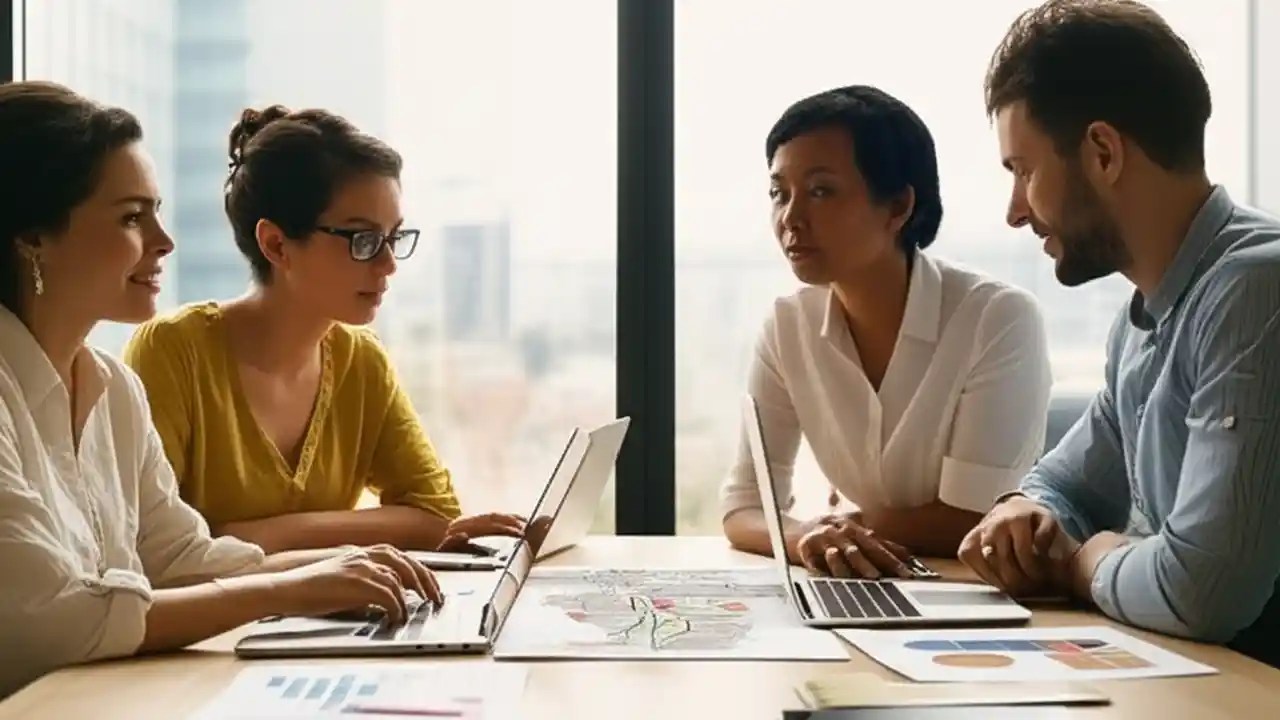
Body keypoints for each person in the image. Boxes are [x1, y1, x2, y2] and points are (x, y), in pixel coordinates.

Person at [0, 81, 444, 698]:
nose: (164, 241)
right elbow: (56, 619)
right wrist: (290, 587)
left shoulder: (114, 390)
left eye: (157, 211)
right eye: (132, 217)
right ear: (32, 237)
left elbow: (182, 559)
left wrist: (335, 569)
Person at [959, 0, 1280, 667]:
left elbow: (1204, 589)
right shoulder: (1143, 317)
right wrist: (1023, 513)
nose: (1015, 211)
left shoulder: (1256, 290)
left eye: (1023, 170)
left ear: (1103, 152)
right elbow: (1067, 485)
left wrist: (1086, 562)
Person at [122, 105, 523, 554]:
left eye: (394, 238)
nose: (388, 263)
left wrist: (258, 536)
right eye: (363, 240)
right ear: (276, 244)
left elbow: (436, 515)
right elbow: (152, 547)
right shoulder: (174, 352)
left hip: (335, 622)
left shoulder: (361, 361)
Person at [720, 85, 1052, 579]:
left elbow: (972, 519)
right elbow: (745, 508)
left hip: (985, 594)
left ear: (897, 206)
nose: (790, 217)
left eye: (820, 191)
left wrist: (848, 526)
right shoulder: (788, 326)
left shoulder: (997, 318)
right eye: (778, 193)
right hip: (875, 584)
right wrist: (809, 537)